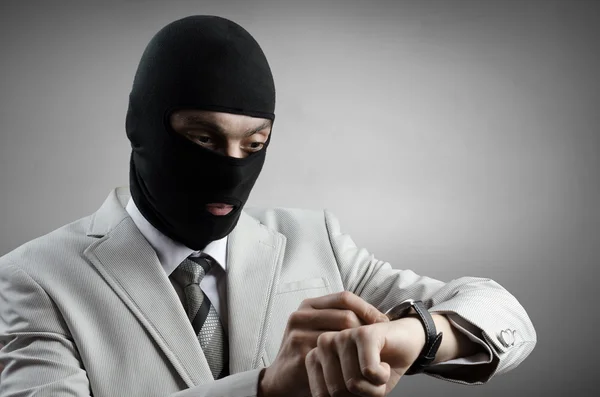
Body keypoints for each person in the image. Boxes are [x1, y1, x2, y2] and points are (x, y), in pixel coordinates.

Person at [0, 15, 536, 397]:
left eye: (254, 145)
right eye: (203, 140)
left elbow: (505, 315)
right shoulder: (34, 279)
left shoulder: (315, 242)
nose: (231, 167)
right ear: (140, 128)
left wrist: (414, 334)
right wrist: (265, 389)